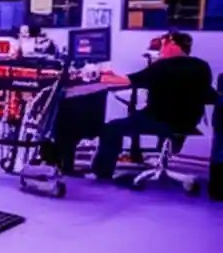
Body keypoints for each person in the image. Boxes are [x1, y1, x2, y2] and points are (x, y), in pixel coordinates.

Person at [90, 32, 214, 180]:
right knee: (138, 116)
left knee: (111, 128)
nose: (160, 52)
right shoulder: (202, 66)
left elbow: (127, 81)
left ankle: (102, 173)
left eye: (162, 46)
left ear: (172, 44)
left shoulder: (163, 66)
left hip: (160, 121)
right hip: (188, 123)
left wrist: (101, 76)